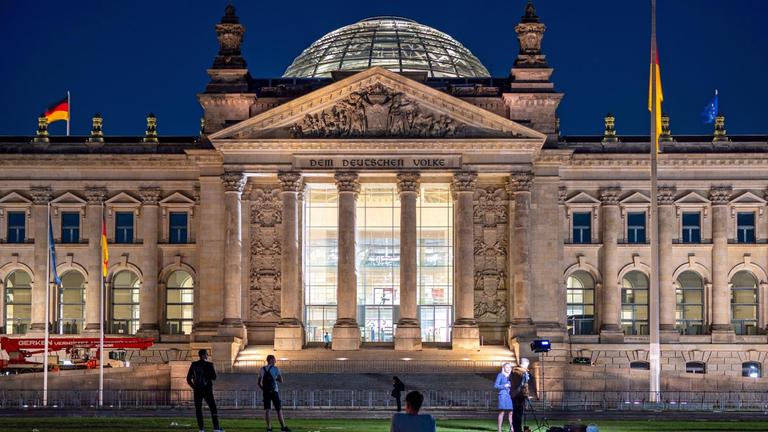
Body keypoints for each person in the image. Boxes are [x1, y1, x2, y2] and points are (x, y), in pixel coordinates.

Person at [186, 349, 223, 432]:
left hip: (197, 390)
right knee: (213, 408)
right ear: (203, 355)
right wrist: (210, 372)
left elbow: (188, 379)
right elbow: (214, 377)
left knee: (198, 409)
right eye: (206, 354)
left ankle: (201, 428)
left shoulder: (194, 364)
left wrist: (194, 387)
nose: (207, 356)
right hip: (207, 389)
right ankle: (216, 428)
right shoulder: (209, 365)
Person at [258, 354, 290, 432]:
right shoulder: (276, 369)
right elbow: (281, 381)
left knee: (267, 410)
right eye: (274, 359)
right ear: (271, 360)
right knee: (278, 410)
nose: (275, 361)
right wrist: (275, 378)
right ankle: (283, 427)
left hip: (266, 392)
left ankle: (269, 428)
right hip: (274, 391)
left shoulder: (262, 369)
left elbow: (259, 383)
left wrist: (264, 389)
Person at [509, 358, 537, 432]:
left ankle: (518, 429)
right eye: (527, 365)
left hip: (519, 395)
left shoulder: (518, 371)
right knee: (517, 415)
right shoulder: (517, 371)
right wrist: (524, 379)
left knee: (518, 414)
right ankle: (517, 430)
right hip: (517, 395)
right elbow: (520, 385)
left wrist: (527, 394)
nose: (527, 367)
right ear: (525, 364)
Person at [494, 363, 514, 432]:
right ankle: (499, 429)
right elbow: (496, 385)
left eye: (509, 367)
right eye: (506, 367)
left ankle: (512, 429)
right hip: (502, 395)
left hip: (510, 396)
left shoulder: (512, 376)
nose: (508, 368)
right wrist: (504, 385)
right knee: (501, 412)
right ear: (503, 368)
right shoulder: (500, 375)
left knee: (511, 413)